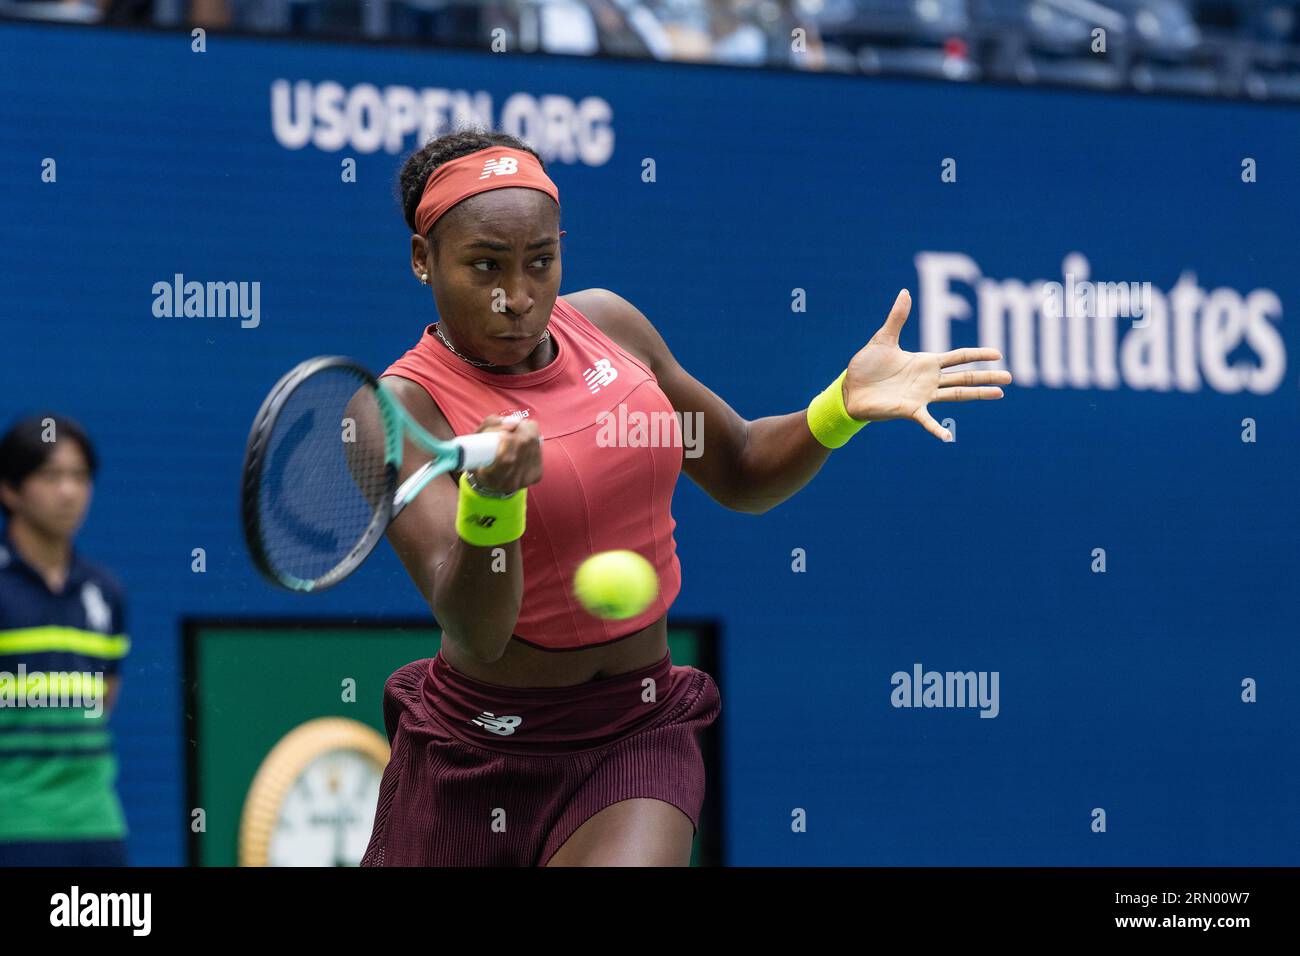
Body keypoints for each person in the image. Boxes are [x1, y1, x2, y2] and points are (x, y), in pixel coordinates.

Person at [360, 128, 1010, 867]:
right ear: (423, 259)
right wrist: (495, 504)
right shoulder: (394, 409)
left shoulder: (612, 326)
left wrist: (842, 406)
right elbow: (477, 628)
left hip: (634, 731)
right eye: (485, 267)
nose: (518, 296)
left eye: (541, 261)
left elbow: (737, 466)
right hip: (473, 750)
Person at [0, 414, 131, 866]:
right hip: (12, 828)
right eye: (51, 476)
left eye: (79, 476)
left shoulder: (106, 593)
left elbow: (102, 701)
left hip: (98, 827)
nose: (69, 492)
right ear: (10, 489)